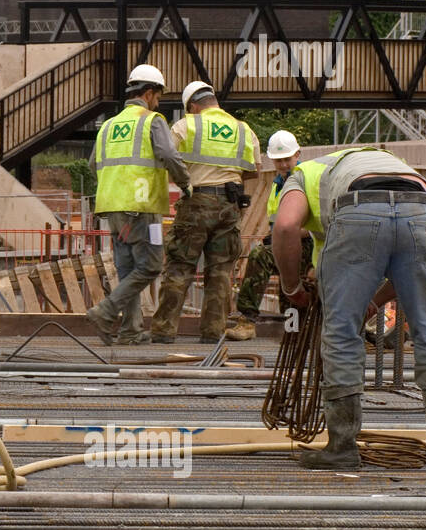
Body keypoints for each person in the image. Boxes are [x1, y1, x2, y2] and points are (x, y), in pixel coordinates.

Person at [274, 147, 426, 470]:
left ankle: (341, 447)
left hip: (357, 208)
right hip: (420, 209)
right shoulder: (391, 163)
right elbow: (406, 264)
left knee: (341, 334)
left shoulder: (300, 174)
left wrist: (291, 288)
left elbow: (285, 227)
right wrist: (374, 302)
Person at [84, 64, 190, 345]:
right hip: (142, 209)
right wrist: (186, 184)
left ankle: (130, 331)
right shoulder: (152, 121)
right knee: (152, 266)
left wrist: (116, 187)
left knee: (129, 270)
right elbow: (168, 154)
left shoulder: (108, 125)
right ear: (148, 92)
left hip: (112, 209)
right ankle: (105, 311)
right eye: (158, 96)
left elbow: (93, 164)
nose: (158, 102)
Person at [149, 80, 260, 343]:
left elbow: (166, 157)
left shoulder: (186, 124)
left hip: (196, 203)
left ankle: (164, 332)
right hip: (229, 206)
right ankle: (212, 333)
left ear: (193, 105)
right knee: (220, 272)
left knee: (179, 267)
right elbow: (254, 169)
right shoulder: (243, 130)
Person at [228, 130, 314, 340]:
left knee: (289, 286)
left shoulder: (307, 180)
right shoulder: (277, 184)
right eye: (278, 160)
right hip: (285, 244)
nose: (283, 164)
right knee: (269, 263)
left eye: (287, 159)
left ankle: (295, 333)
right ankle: (248, 320)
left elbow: (312, 224)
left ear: (297, 155)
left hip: (306, 245)